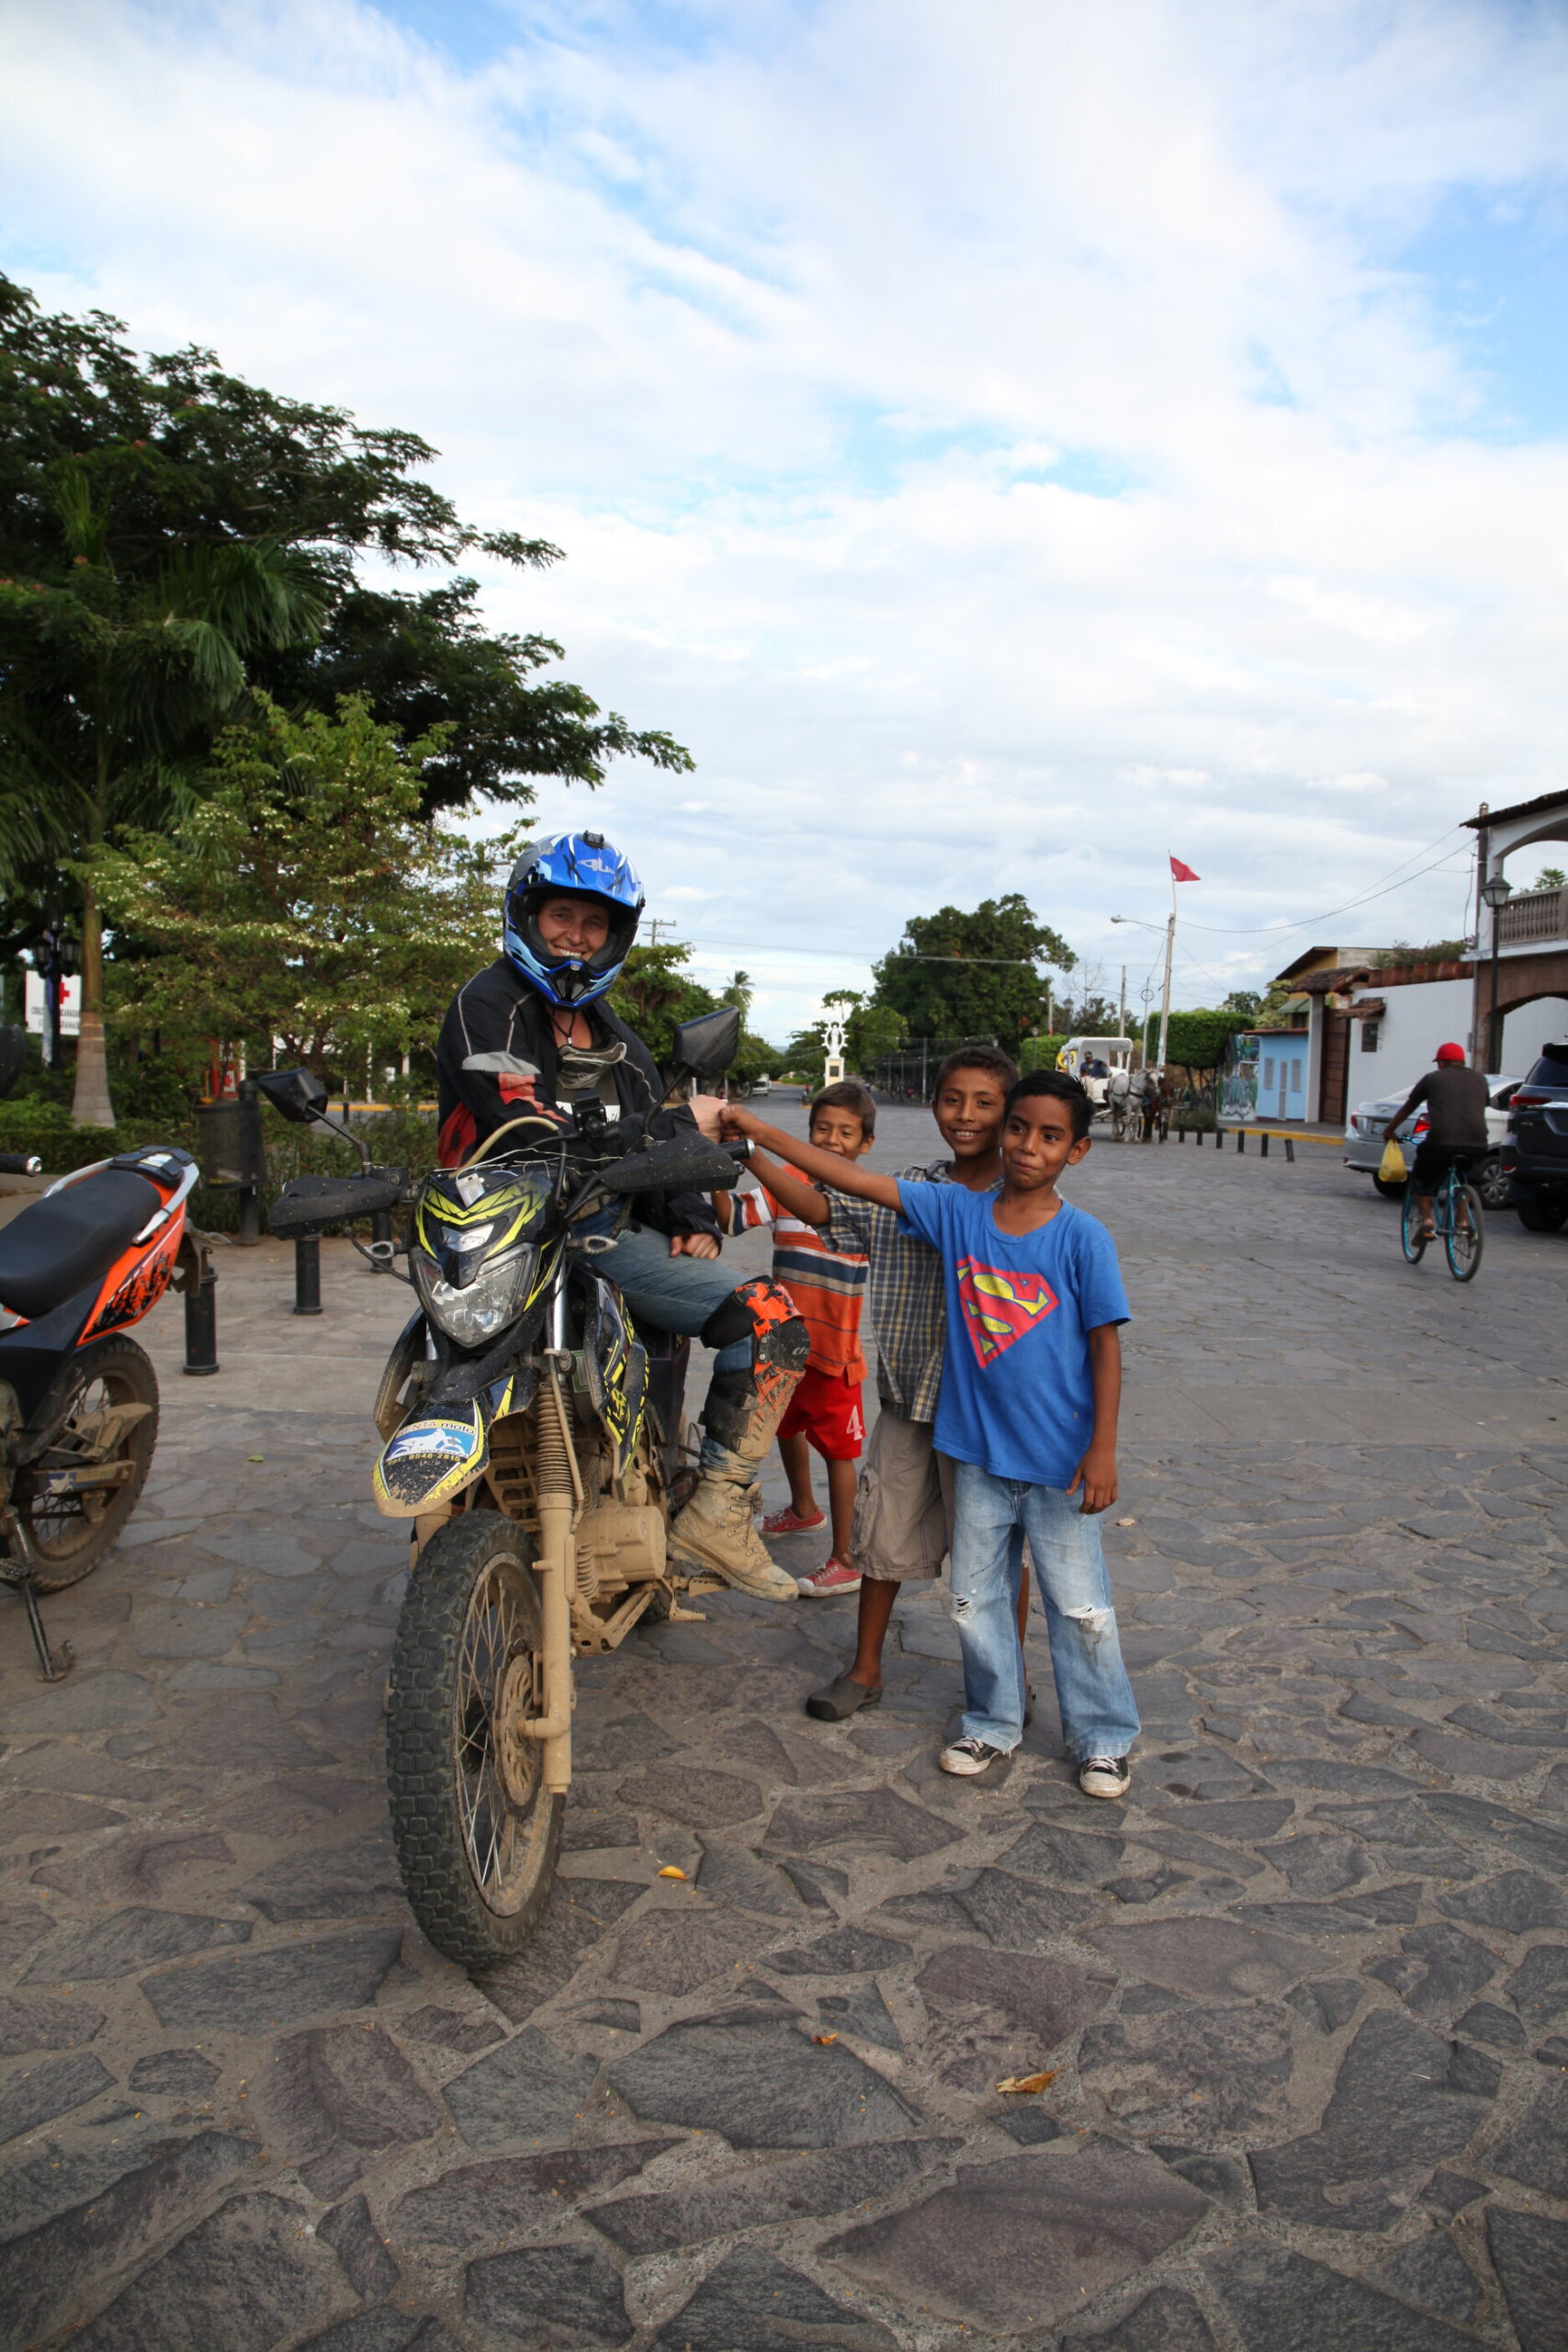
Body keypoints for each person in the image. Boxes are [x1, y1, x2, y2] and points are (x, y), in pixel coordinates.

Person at [724, 1069, 1139, 1799]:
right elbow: (839, 1190)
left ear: (1075, 1150)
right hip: (964, 1440)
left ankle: (1101, 1736)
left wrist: (1101, 1448)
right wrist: (757, 1135)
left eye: (1044, 1134)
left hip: (1052, 1457)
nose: (1021, 1142)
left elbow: (1105, 1345)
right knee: (963, 1590)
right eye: (1017, 1127)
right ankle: (988, 1717)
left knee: (1075, 1603)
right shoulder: (947, 1207)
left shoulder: (1080, 1236)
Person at [435, 830, 807, 1602]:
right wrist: (678, 1127)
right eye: (562, 917)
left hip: (602, 1238)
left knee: (769, 1317)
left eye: (593, 924)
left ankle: (715, 1506)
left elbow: (649, 1133)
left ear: (615, 936)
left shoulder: (619, 1041)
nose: (575, 937)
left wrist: (685, 1209)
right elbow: (532, 1131)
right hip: (502, 1242)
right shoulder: (487, 1007)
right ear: (527, 914)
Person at [722, 1047, 1031, 1723]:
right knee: (880, 1538)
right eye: (953, 1099)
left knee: (1001, 1555)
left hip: (991, 1411)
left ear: (1010, 1113)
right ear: (933, 1106)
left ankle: (1009, 1681)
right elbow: (824, 1208)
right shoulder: (913, 1184)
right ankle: (864, 1669)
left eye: (984, 1103)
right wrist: (750, 1151)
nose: (966, 1115)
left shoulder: (1021, 1200)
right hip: (911, 1399)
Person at [713, 1082, 874, 1597]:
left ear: (864, 1143)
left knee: (840, 1452)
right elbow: (731, 1217)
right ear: (806, 1136)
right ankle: (805, 1510)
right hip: (786, 1343)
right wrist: (719, 1169)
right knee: (783, 1426)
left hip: (835, 1353)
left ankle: (845, 1558)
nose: (832, 1140)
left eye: (846, 1133)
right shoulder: (787, 1184)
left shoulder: (866, 1195)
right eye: (822, 1130)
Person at [1382, 1043, 1489, 1241]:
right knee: (1468, 1179)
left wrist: (1390, 1130)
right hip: (1477, 1142)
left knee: (1422, 1177)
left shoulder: (1432, 1079)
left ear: (1441, 1063)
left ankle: (1427, 1222)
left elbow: (1409, 1107)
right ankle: (1463, 1221)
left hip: (1442, 1142)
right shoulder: (1480, 1078)